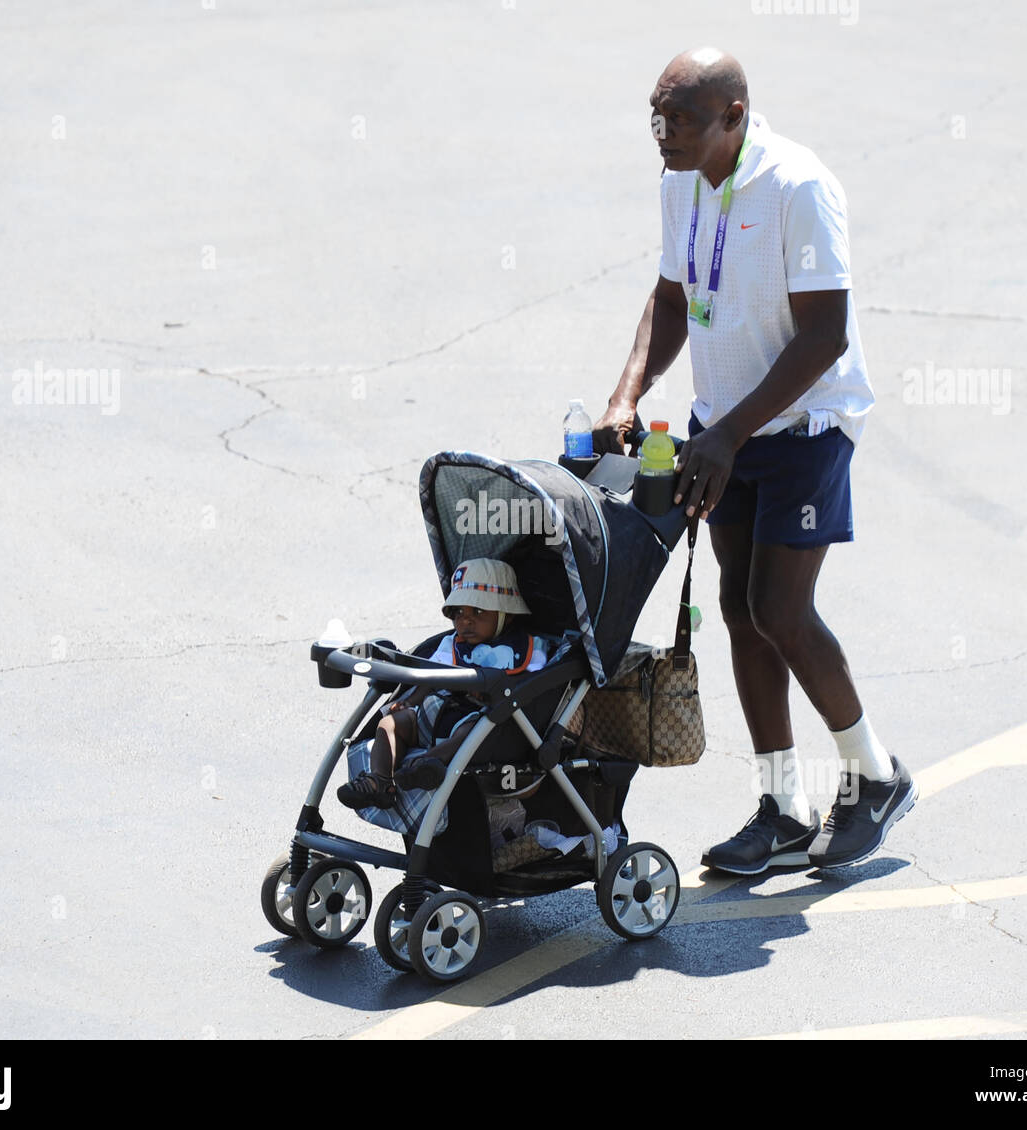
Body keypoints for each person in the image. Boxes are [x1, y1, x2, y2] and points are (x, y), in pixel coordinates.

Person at [594, 47, 916, 872]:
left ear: (735, 116)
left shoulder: (799, 189)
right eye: (656, 118)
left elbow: (824, 337)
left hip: (804, 426)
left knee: (780, 608)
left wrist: (729, 434)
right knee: (738, 610)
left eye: (684, 120)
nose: (663, 134)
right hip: (724, 430)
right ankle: (780, 806)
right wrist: (627, 394)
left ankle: (875, 777)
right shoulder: (680, 179)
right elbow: (671, 298)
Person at [336, 558, 547, 811]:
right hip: (435, 712)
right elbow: (430, 675)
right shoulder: (452, 645)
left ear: (507, 614)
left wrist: (500, 688)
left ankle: (427, 763)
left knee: (469, 730)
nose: (466, 621)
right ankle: (380, 781)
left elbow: (536, 683)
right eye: (459, 613)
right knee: (389, 724)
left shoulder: (525, 650)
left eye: (478, 612)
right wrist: (410, 702)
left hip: (481, 720)